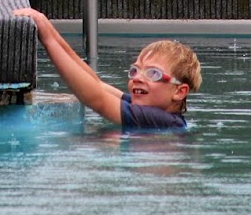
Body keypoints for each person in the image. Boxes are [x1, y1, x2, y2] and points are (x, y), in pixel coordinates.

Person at [13, 7, 200, 131]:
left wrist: (47, 41)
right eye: (135, 70)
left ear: (179, 91)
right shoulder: (148, 107)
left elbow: (96, 99)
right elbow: (96, 84)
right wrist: (48, 28)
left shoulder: (163, 121)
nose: (138, 78)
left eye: (153, 73)